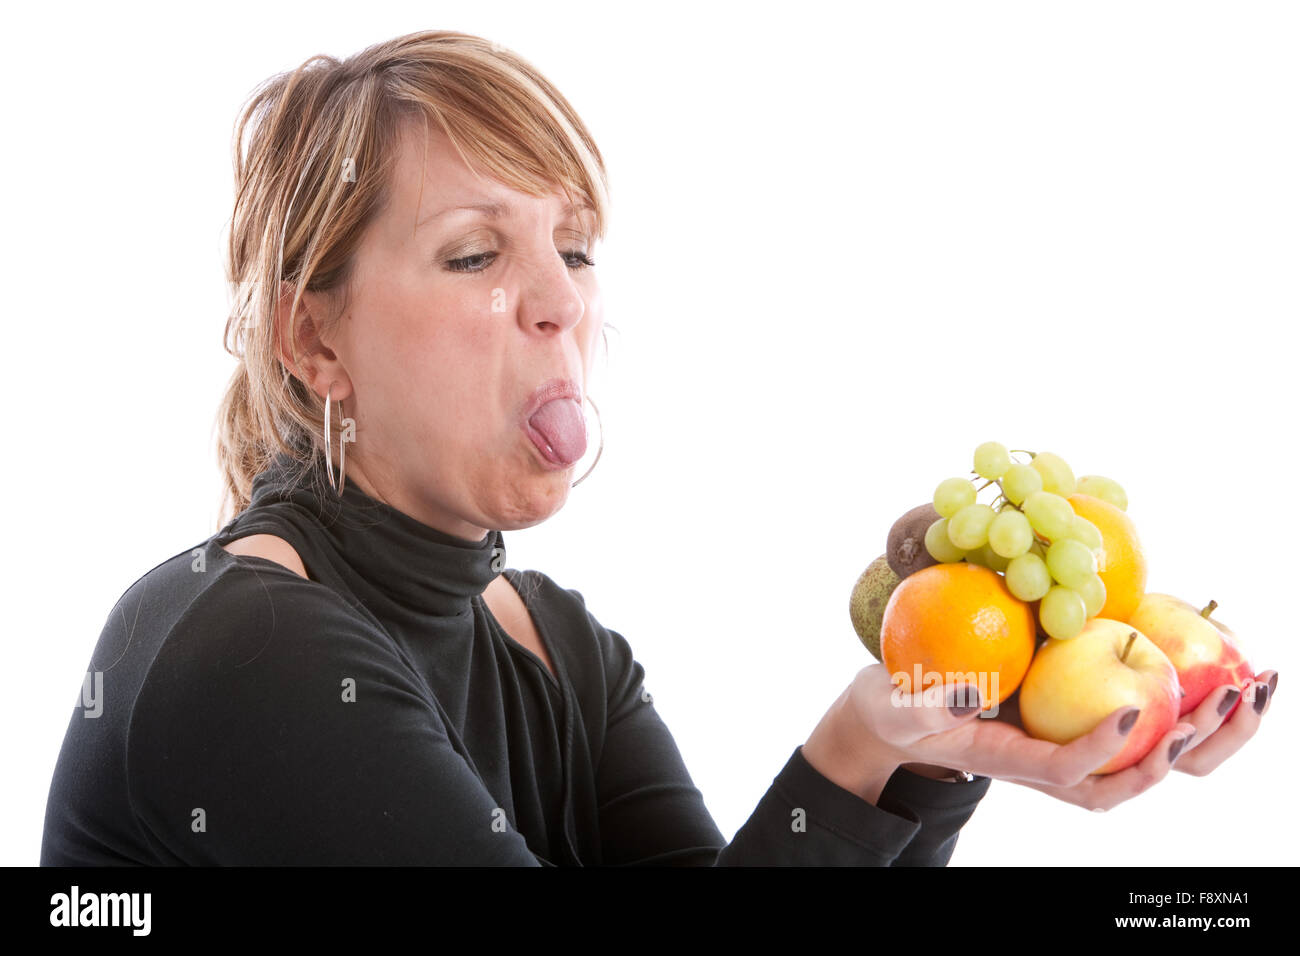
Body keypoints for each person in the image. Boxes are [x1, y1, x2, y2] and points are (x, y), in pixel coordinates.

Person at [40, 30, 1275, 867]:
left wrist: (903, 745)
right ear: (315, 338)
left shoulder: (556, 643)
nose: (560, 301)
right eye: (475, 253)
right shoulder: (248, 644)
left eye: (570, 248)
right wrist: (852, 749)